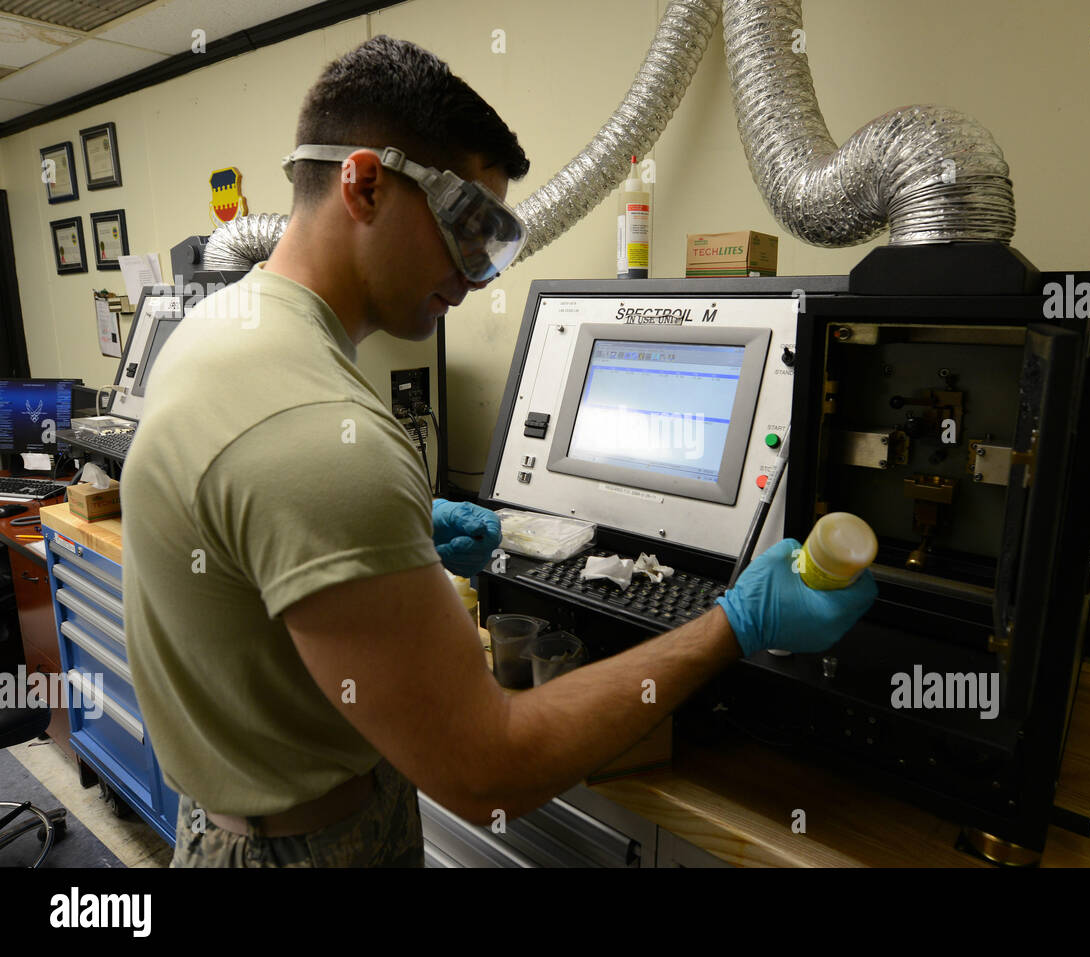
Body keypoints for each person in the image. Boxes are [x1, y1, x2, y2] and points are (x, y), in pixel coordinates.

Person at [121, 35, 877, 868]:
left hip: (226, 818)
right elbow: (492, 768)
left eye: (496, 244)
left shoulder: (214, 331)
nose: (479, 276)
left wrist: (392, 535)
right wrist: (733, 624)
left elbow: (245, 559)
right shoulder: (320, 430)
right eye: (468, 229)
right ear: (365, 184)